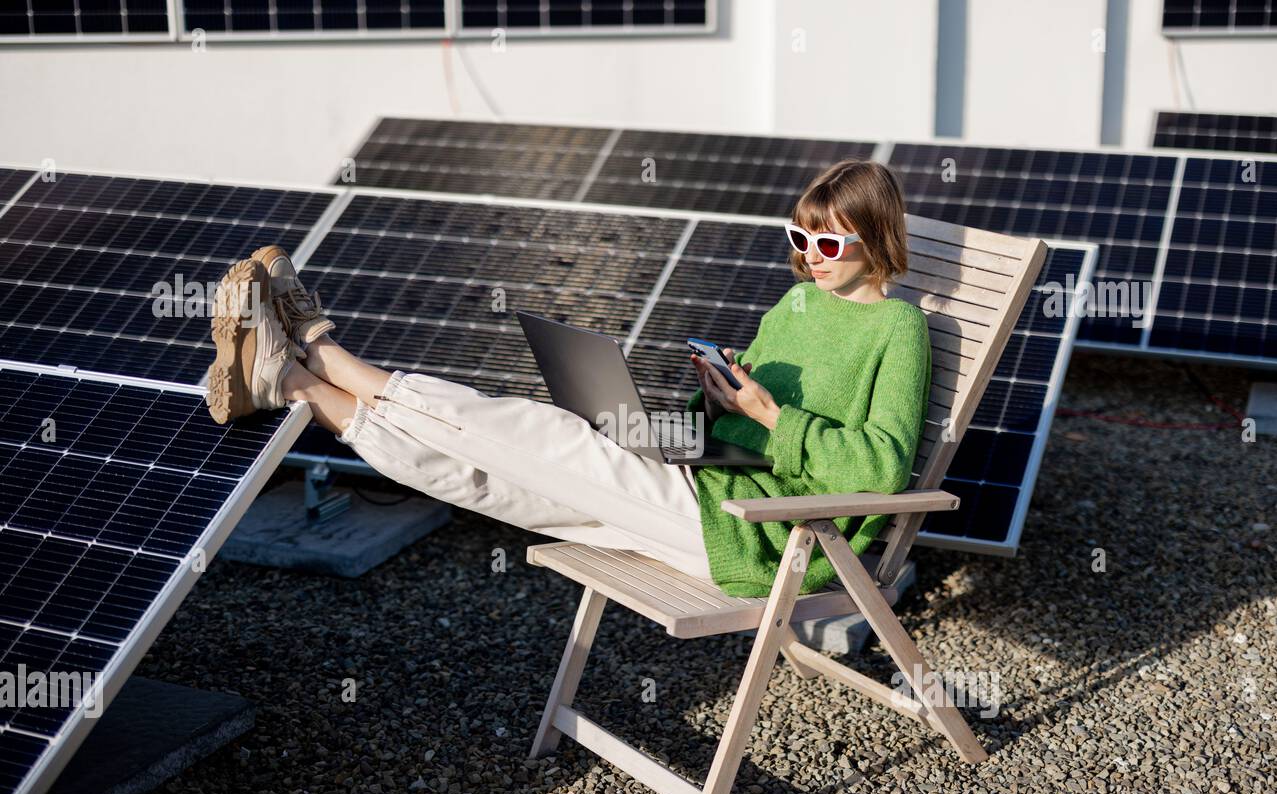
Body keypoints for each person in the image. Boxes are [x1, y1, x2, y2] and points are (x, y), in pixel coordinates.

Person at [203, 159, 931, 598]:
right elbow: (743, 418)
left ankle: (326, 354)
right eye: (801, 239)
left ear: (877, 240)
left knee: (541, 435)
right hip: (707, 479)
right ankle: (293, 382)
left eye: (830, 241)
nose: (812, 255)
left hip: (765, 533)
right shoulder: (797, 301)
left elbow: (882, 468)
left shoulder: (898, 328)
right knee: (496, 479)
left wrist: (772, 419)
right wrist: (711, 401)